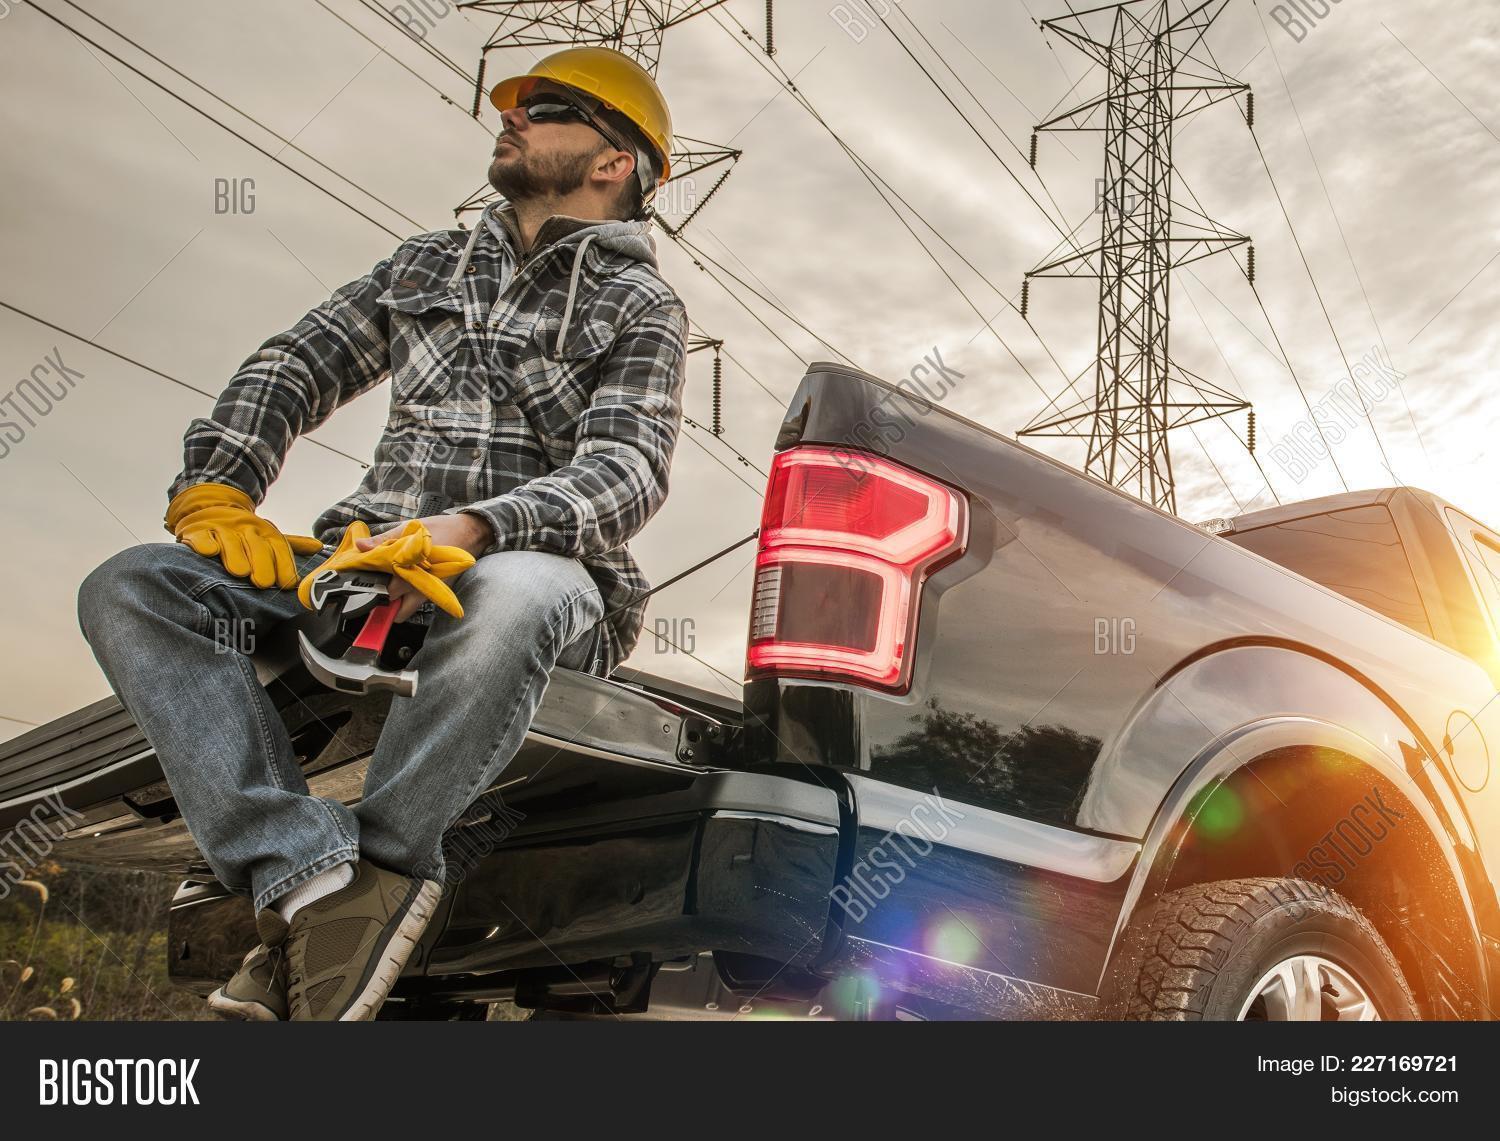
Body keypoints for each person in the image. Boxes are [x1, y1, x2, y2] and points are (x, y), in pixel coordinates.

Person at [75, 46, 687, 1021]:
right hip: (368, 567)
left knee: (515, 593)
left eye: (546, 107)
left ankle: (383, 875)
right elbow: (294, 364)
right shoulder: (426, 265)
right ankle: (309, 874)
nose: (513, 115)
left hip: (535, 574)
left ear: (615, 161)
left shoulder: (640, 304)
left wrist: (474, 527)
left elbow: (626, 470)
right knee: (133, 584)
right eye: (517, 103)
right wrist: (219, 485)